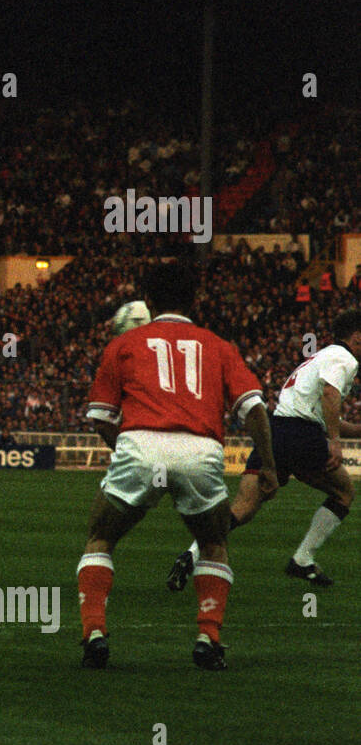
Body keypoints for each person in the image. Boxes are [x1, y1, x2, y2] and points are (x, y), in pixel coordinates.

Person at [79, 263, 276, 672]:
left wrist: (128, 452)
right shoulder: (218, 345)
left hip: (141, 443)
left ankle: (94, 633)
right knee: (214, 543)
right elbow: (254, 408)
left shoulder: (125, 343)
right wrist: (269, 466)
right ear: (194, 301)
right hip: (199, 449)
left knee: (101, 536)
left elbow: (100, 416)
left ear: (148, 302)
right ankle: (208, 638)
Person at [167, 310, 361, 592]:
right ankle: (302, 559)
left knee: (244, 507)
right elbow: (330, 396)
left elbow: (317, 410)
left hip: (276, 431)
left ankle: (191, 554)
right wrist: (334, 441)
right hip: (301, 434)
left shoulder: (319, 357)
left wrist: (353, 431)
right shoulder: (345, 359)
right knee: (344, 492)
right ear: (356, 337)